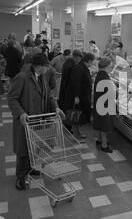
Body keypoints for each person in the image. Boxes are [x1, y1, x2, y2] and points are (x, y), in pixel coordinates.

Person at [8, 53, 64, 190]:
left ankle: (31, 168)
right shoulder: (22, 77)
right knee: (24, 151)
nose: (48, 69)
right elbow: (12, 98)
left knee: (35, 147)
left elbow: (48, 96)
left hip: (39, 120)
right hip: (26, 121)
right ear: (38, 66)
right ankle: (20, 177)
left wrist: (56, 108)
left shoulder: (42, 77)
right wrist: (20, 113)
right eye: (46, 66)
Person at [65, 53, 95, 140]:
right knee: (76, 116)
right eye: (92, 62)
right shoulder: (79, 68)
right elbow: (75, 83)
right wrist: (76, 96)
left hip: (81, 96)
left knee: (77, 116)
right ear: (89, 61)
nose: (92, 64)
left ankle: (77, 134)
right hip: (78, 97)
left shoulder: (82, 68)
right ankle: (76, 135)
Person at [93, 57, 115, 153]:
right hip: (105, 104)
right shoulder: (104, 77)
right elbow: (110, 93)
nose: (111, 69)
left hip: (99, 102)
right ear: (105, 66)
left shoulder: (99, 74)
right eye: (110, 67)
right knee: (104, 126)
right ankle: (104, 145)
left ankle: (99, 140)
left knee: (99, 123)